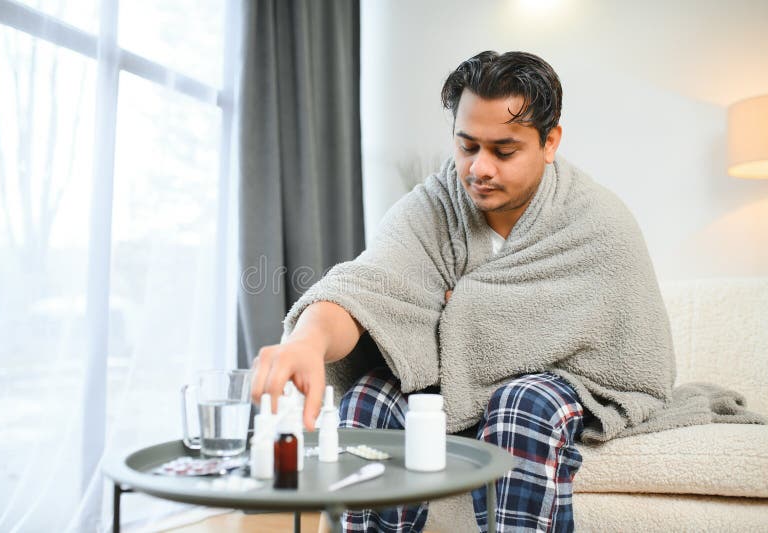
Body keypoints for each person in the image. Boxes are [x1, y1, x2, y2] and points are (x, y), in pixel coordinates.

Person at [252, 51, 626, 532]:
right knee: (368, 397)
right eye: (467, 146)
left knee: (521, 403)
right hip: (446, 381)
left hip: (546, 389)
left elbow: (617, 348)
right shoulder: (433, 205)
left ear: (549, 141)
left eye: (504, 151)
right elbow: (366, 289)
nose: (480, 168)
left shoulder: (597, 221)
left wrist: (466, 307)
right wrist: (307, 341)